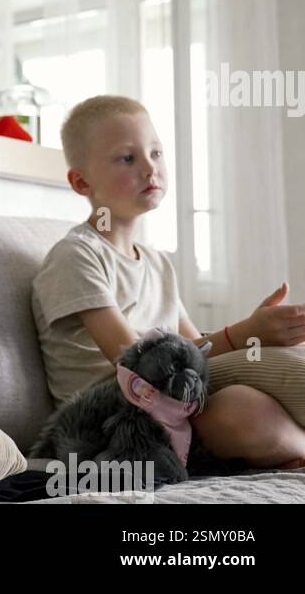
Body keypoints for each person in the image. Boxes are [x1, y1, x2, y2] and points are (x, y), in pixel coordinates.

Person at [31, 95, 305, 471]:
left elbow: (201, 352)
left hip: (175, 402)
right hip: (118, 421)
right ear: (81, 181)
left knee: (271, 373)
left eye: (156, 153)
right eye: (128, 158)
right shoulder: (77, 256)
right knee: (244, 410)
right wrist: (240, 335)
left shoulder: (158, 263)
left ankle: (285, 450)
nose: (150, 168)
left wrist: (258, 336)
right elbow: (135, 364)